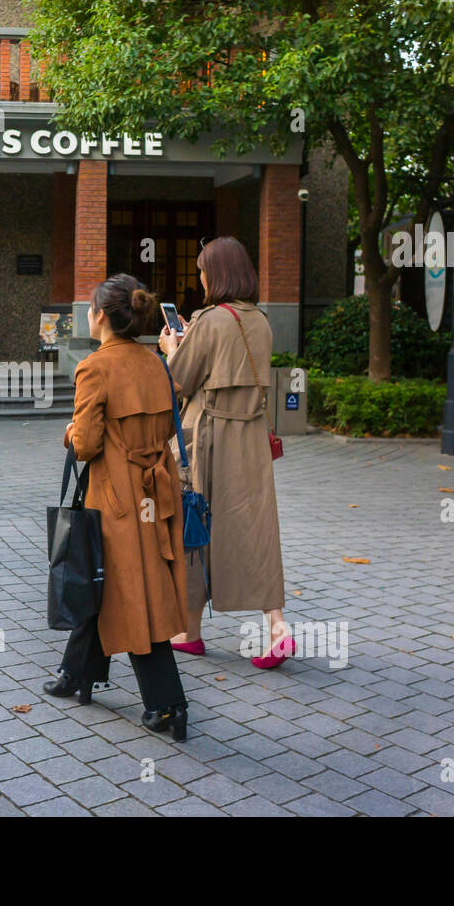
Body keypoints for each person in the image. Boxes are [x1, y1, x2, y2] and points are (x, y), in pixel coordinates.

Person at [43, 273, 190, 741]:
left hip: (116, 496)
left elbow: (85, 444)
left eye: (89, 308)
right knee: (105, 579)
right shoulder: (155, 364)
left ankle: (168, 704)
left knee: (132, 592)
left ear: (101, 316)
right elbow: (168, 427)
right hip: (155, 491)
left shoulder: (95, 367)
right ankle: (77, 672)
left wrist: (68, 432)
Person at [158, 237, 290, 668]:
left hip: (210, 436)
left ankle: (189, 630)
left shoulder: (211, 320)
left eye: (201, 271)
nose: (199, 278)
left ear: (215, 275)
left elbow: (179, 381)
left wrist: (171, 350)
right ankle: (277, 625)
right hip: (250, 437)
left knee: (195, 526)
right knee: (256, 527)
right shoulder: (261, 320)